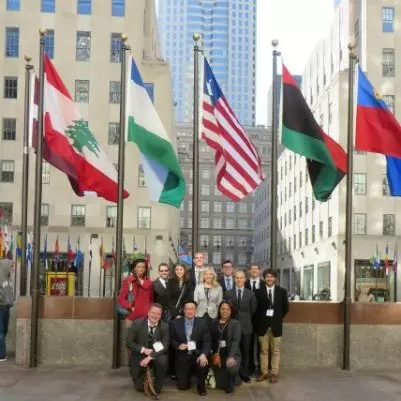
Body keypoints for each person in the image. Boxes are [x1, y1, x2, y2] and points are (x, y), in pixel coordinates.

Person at [126, 303, 169, 395]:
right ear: (148, 313)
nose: (155, 316)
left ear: (161, 315)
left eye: (158, 314)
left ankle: (158, 381)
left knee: (162, 360)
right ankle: (141, 377)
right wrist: (143, 350)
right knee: (140, 388)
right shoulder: (137, 324)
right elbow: (128, 343)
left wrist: (150, 357)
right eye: (153, 313)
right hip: (140, 353)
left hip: (157, 354)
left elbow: (165, 346)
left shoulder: (165, 327)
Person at [255, 268, 289, 384]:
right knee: (263, 351)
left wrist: (276, 319)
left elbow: (285, 309)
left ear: (275, 278)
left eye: (271, 276)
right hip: (262, 326)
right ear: (264, 278)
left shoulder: (282, 291)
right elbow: (256, 309)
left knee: (275, 351)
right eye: (267, 276)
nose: (269, 278)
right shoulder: (258, 292)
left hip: (276, 326)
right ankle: (264, 372)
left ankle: (274, 373)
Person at [170, 300, 211, 396]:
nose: (190, 311)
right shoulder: (175, 323)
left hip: (198, 354)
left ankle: (201, 386)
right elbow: (171, 339)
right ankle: (186, 376)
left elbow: (207, 341)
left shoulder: (202, 322)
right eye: (187, 309)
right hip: (183, 355)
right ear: (183, 310)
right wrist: (178, 346)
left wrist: (203, 354)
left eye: (192, 308)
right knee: (182, 387)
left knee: (203, 363)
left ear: (196, 310)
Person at [224, 269, 257, 382]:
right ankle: (233, 371)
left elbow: (253, 310)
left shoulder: (251, 294)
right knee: (232, 349)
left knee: (245, 351)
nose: (239, 280)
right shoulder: (228, 293)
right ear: (234, 279)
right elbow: (226, 310)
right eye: (237, 278)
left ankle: (244, 373)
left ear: (245, 279)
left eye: (241, 278)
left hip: (246, 326)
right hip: (231, 327)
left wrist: (245, 319)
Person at [167, 263, 193, 379]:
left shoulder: (188, 283)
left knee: (183, 340)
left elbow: (190, 298)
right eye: (177, 269)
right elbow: (168, 300)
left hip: (184, 315)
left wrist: (182, 313)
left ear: (184, 270)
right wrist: (175, 314)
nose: (179, 271)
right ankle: (172, 370)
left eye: (181, 269)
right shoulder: (170, 282)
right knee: (174, 342)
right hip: (173, 316)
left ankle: (184, 369)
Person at [210, 301, 241, 393]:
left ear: (231, 311)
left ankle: (234, 376)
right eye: (222, 309)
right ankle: (230, 377)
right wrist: (214, 353)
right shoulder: (214, 322)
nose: (225, 311)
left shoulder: (235, 323)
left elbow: (236, 341)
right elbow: (211, 340)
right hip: (218, 355)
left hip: (232, 354)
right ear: (219, 310)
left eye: (228, 309)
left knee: (231, 368)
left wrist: (231, 357)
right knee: (220, 385)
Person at [118, 259, 153, 328]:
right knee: (130, 338)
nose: (141, 269)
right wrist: (131, 307)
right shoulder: (129, 281)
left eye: (143, 267)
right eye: (139, 267)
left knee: (144, 338)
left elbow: (151, 300)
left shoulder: (149, 282)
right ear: (134, 268)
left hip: (146, 318)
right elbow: (121, 298)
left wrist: (150, 312)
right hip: (132, 317)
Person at [245, 263, 263, 375]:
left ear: (259, 271)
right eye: (252, 269)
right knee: (249, 344)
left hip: (261, 320)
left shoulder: (265, 284)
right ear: (249, 271)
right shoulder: (245, 283)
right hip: (248, 319)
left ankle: (262, 367)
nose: (254, 271)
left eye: (256, 269)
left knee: (261, 344)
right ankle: (250, 366)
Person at [0, 259, 13, 362]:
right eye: (11, 267)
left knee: (4, 331)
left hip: (6, 306)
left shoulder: (8, 278)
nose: (12, 269)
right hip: (1, 307)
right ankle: (1, 355)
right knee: (1, 331)